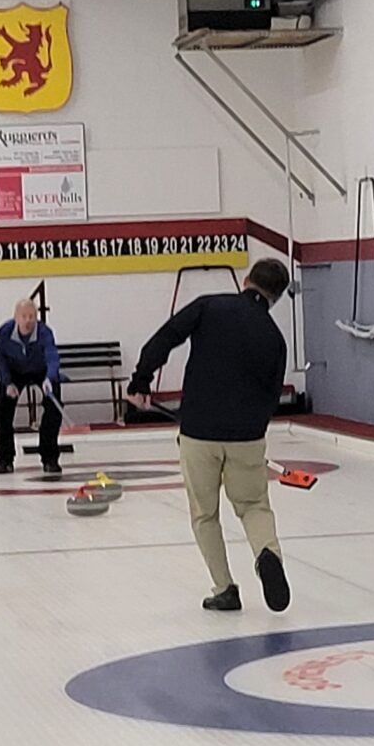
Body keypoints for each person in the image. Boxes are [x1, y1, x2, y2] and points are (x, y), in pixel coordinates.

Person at [127, 258, 291, 613]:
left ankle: (224, 588)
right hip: (247, 436)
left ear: (245, 280)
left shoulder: (209, 306)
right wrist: (253, 428)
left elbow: (164, 339)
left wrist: (141, 381)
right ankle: (267, 553)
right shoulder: (274, 337)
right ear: (276, 298)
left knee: (205, 513)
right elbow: (272, 395)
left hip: (198, 431)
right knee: (253, 505)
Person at [0, 297, 63, 479]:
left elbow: (52, 356)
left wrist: (49, 378)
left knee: (54, 407)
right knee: (2, 410)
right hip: (15, 371)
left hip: (41, 371)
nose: (28, 320)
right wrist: (7, 382)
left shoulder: (45, 332)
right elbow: (1, 358)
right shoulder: (5, 331)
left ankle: (50, 458)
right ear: (16, 317)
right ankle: (5, 459)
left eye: (32, 316)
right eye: (24, 316)